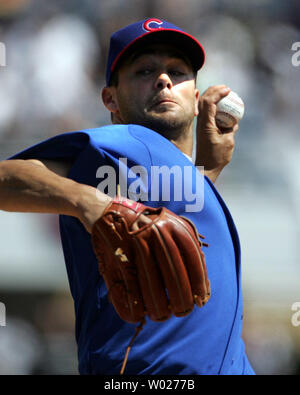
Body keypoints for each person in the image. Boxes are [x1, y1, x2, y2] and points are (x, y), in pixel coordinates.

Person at [0, 18, 255, 375]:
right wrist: (90, 203)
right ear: (111, 98)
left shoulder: (182, 174)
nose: (164, 79)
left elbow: (169, 198)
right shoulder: (125, 142)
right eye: (145, 70)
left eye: (178, 71)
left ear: (196, 100)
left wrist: (207, 174)